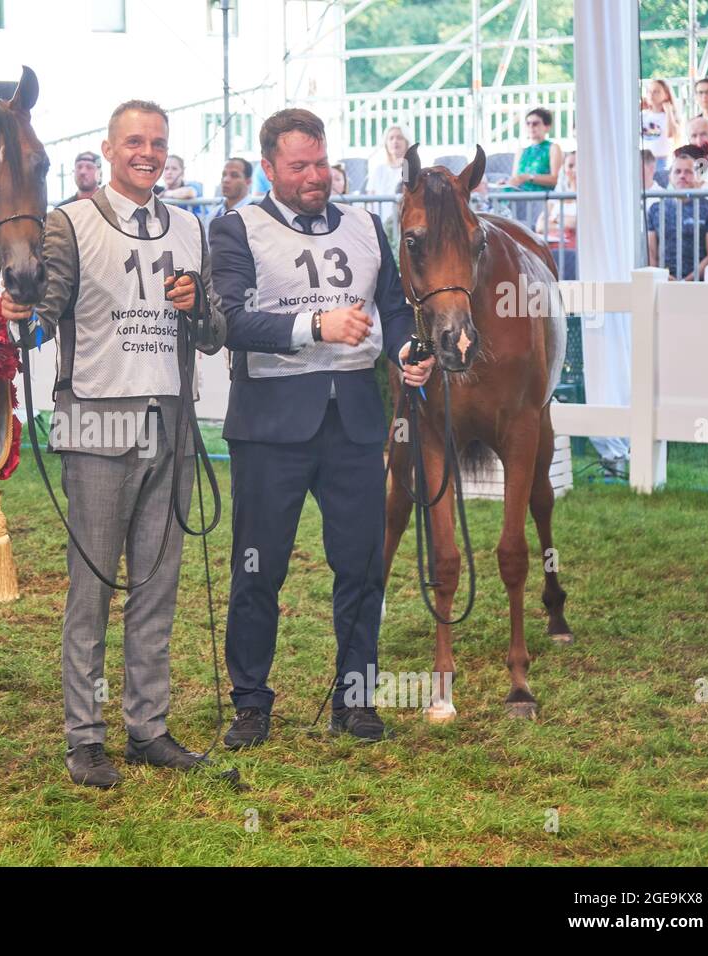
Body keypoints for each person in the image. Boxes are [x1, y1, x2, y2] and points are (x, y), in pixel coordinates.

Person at [0, 99, 227, 789]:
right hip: (95, 413)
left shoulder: (191, 226)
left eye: (157, 142)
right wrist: (20, 317)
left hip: (172, 414)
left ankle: (148, 727)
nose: (147, 152)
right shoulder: (71, 221)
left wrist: (197, 310)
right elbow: (46, 314)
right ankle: (83, 736)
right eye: (134, 141)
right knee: (92, 585)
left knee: (158, 583)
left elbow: (216, 332)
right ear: (109, 146)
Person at [208, 108, 433, 750]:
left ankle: (355, 697)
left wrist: (406, 353)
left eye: (320, 162)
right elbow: (228, 320)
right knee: (258, 568)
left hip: (355, 420)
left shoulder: (364, 224)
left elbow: (393, 305)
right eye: (298, 166)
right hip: (271, 423)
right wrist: (316, 327)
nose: (314, 176)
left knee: (361, 564)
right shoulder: (236, 229)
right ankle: (250, 702)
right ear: (270, 167)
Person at [648, 146, 708, 282]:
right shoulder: (655, 208)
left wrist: (688, 280)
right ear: (670, 177)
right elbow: (651, 252)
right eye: (677, 172)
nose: (682, 176)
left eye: (688, 172)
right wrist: (661, 277)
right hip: (663, 282)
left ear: (697, 176)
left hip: (698, 284)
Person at [503, 107, 562, 227]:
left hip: (540, 201)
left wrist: (528, 177)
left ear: (547, 127)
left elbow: (555, 179)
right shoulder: (521, 151)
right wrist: (506, 182)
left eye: (535, 123)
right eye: (528, 123)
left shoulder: (553, 148)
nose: (531, 127)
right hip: (519, 200)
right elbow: (516, 178)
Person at [536, 150, 577, 278]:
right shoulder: (556, 196)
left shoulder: (589, 196)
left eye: (579, 165)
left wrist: (555, 219)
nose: (575, 170)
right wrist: (564, 222)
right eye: (570, 166)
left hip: (572, 248)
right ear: (564, 170)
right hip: (550, 245)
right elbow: (540, 226)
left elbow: (576, 223)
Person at [365, 124, 409, 224]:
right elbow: (369, 200)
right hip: (379, 223)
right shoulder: (378, 169)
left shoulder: (410, 168)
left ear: (406, 142)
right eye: (391, 138)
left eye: (399, 137)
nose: (395, 141)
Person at [641, 79, 681, 183]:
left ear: (666, 94)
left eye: (656, 91)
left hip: (661, 160)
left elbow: (671, 134)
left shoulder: (669, 116)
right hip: (643, 159)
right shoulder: (643, 115)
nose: (651, 95)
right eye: (649, 91)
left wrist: (668, 111)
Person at [200, 157, 252, 224]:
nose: (226, 180)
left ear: (248, 181)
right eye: (224, 175)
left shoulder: (255, 215)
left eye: (234, 175)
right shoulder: (214, 214)